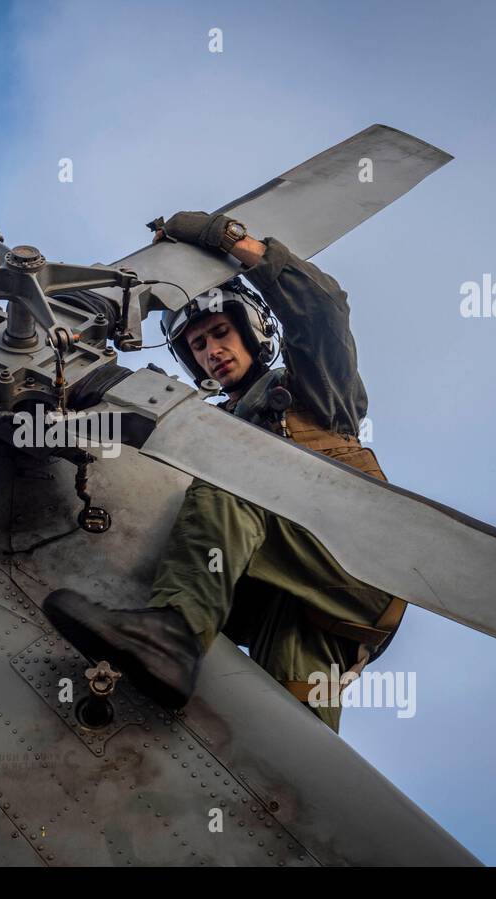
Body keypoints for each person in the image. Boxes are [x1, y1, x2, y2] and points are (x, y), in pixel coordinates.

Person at [44, 211, 406, 734]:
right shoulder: (198, 429)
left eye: (220, 333)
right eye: (198, 345)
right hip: (299, 602)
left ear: (252, 333)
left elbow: (323, 311)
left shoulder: (310, 392)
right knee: (284, 746)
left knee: (234, 473)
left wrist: (230, 241)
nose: (212, 351)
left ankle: (170, 636)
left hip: (353, 559)